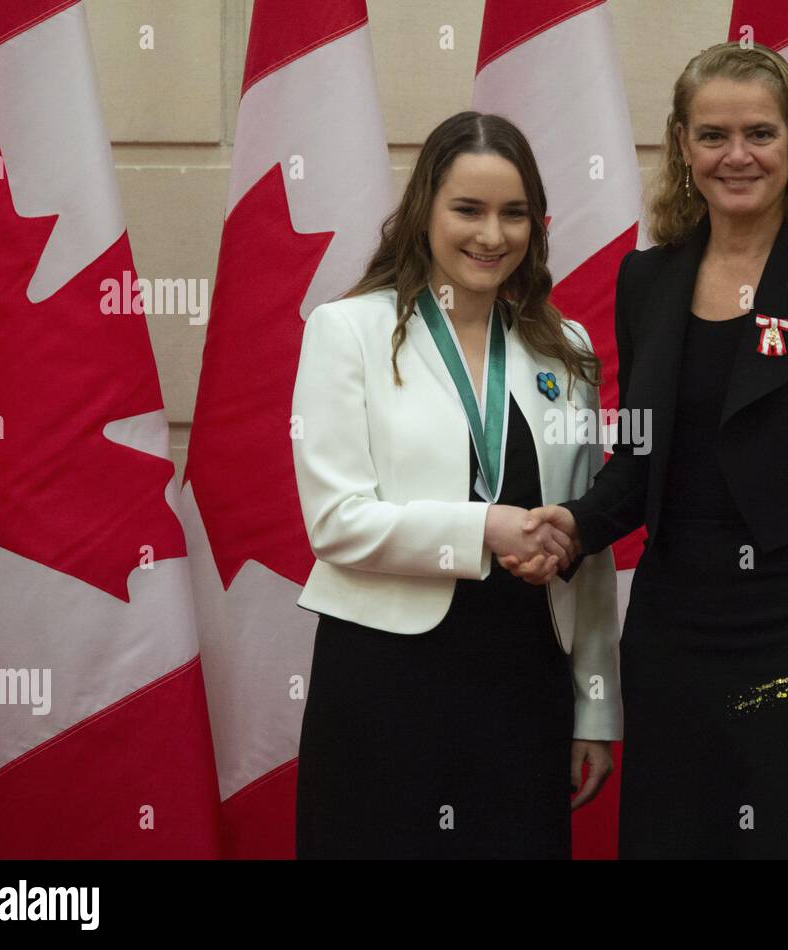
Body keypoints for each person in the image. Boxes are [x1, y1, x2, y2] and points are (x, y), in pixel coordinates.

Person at [503, 42, 788, 859]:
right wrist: (571, 526)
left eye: (759, 134)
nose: (736, 156)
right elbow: (641, 464)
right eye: (712, 135)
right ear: (682, 146)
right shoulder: (648, 279)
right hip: (677, 637)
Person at [290, 112, 621, 859]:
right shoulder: (348, 331)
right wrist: (483, 530)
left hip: (524, 685)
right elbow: (337, 522)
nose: (491, 236)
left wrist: (595, 709)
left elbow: (586, 540)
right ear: (424, 213)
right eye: (467, 210)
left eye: (513, 214)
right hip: (385, 683)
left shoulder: (564, 348)